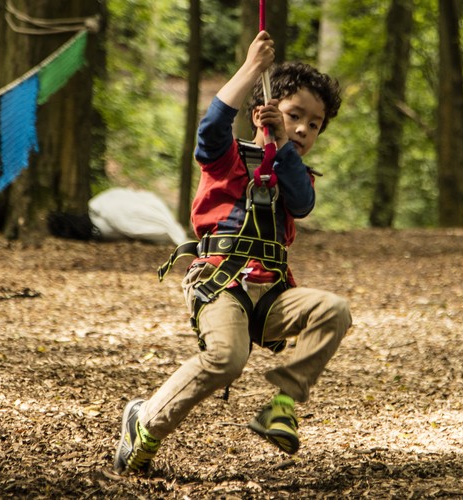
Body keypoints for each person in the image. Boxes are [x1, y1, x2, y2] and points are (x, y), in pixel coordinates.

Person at [113, 30, 351, 475]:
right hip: (221, 283)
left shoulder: (296, 173)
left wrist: (281, 146)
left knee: (333, 310)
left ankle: (282, 404)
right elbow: (210, 129)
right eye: (295, 115)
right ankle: (144, 422)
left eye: (314, 124)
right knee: (226, 359)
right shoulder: (228, 158)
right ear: (266, 109)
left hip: (272, 296)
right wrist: (251, 69)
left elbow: (301, 201)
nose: (303, 128)